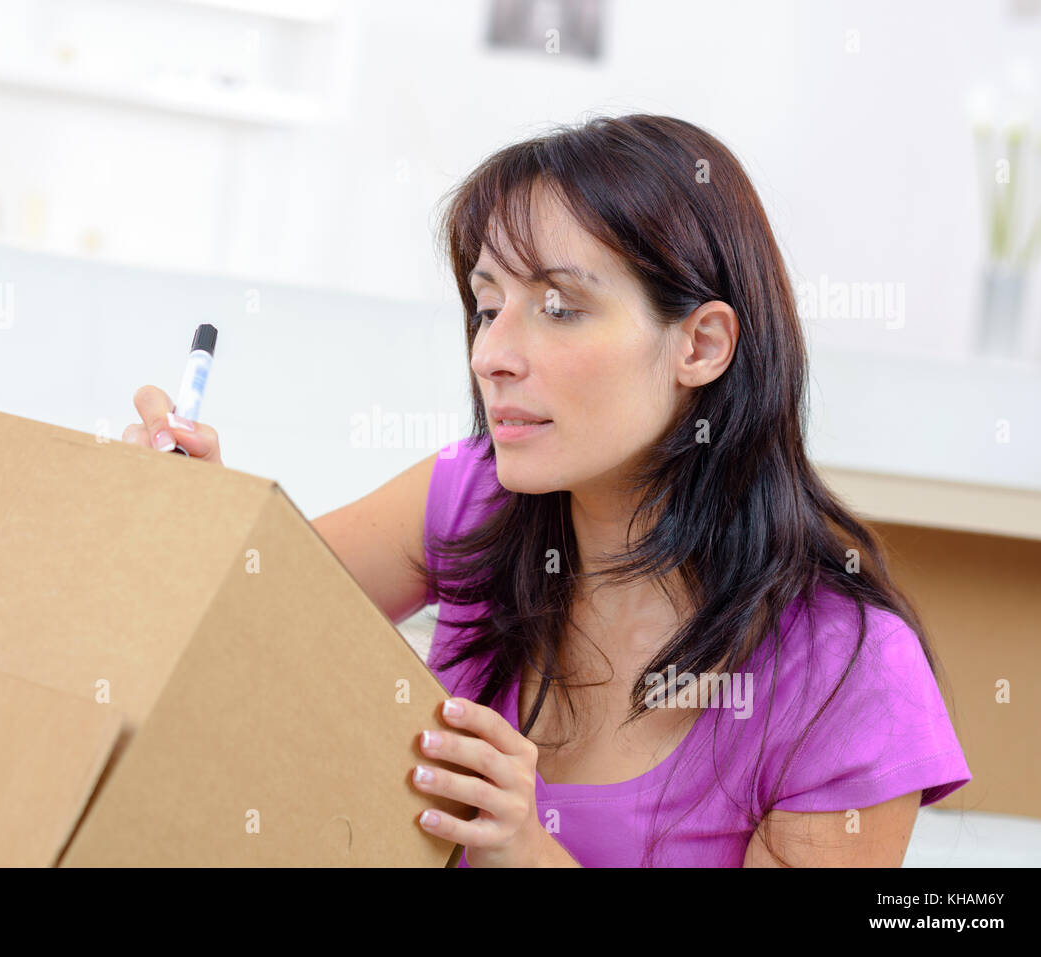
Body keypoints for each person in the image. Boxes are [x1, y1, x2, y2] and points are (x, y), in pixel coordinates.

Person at [123, 113, 971, 868]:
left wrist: (524, 851)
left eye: (560, 306)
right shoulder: (468, 499)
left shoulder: (850, 676)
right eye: (488, 306)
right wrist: (193, 515)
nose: (491, 353)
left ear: (702, 346)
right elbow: (230, 629)